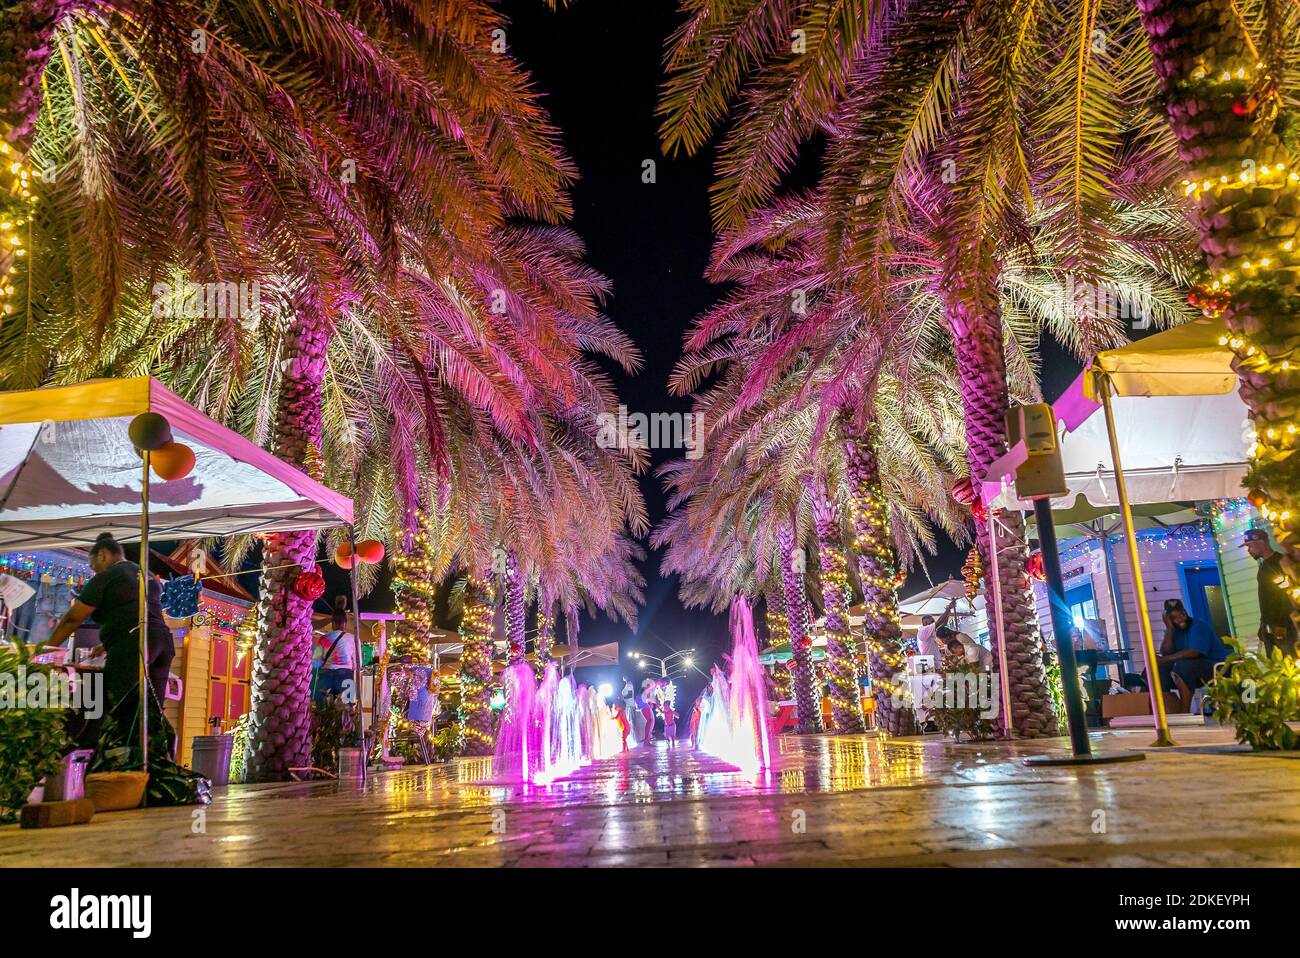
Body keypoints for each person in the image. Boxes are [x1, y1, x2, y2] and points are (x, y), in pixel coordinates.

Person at [48, 532, 175, 750]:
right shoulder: (147, 574)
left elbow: (72, 618)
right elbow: (137, 612)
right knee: (150, 710)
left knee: (122, 708)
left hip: (135, 643)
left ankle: (120, 764)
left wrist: (48, 649)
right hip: (162, 643)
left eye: (93, 564)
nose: (93, 570)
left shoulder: (108, 576)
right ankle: (155, 764)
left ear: (103, 555)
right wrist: (106, 644)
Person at [1155, 604, 1229, 712]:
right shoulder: (1174, 631)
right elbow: (1166, 652)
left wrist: (1164, 659)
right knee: (1159, 670)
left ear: (1185, 612)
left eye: (1181, 614)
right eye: (1174, 618)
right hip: (1195, 671)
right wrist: (1169, 629)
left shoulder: (1199, 625)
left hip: (1218, 667)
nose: (1180, 619)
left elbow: (1194, 652)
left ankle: (1184, 712)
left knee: (1183, 666)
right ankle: (1166, 712)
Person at [1244, 528, 1298, 659]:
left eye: (1249, 545)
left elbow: (1286, 596)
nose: (1248, 550)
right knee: (1275, 666)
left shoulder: (1280, 563)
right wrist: (1263, 624)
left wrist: (1281, 624)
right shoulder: (1263, 567)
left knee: (1288, 663)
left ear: (1261, 541)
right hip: (1269, 628)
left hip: (1285, 627)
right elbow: (1266, 599)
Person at [313, 597, 357, 703]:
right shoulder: (353, 638)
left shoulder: (323, 639)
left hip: (326, 676)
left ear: (332, 623)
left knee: (322, 709)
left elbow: (315, 662)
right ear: (345, 623)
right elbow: (357, 663)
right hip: (345, 676)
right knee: (346, 710)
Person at [621, 675, 642, 743]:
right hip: (628, 703)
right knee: (630, 721)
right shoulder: (627, 684)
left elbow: (629, 695)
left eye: (625, 676)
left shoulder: (629, 684)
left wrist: (622, 698)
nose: (624, 678)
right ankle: (632, 738)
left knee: (631, 721)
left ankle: (634, 738)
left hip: (630, 704)